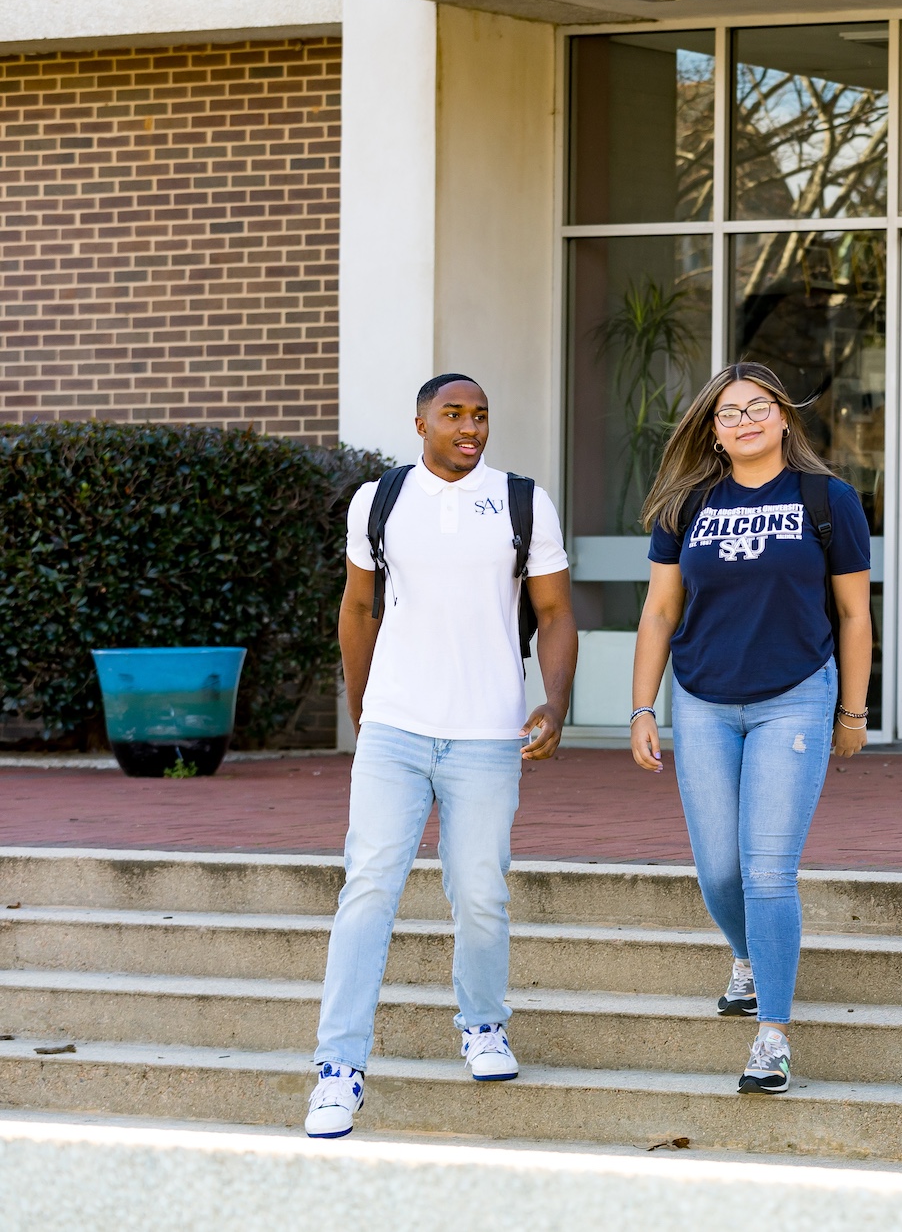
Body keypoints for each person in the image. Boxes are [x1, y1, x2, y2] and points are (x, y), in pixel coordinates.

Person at [304, 373, 578, 1139]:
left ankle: (483, 1024)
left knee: (481, 891)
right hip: (395, 729)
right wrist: (364, 710)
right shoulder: (379, 500)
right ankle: (338, 1069)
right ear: (420, 422)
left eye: (480, 415)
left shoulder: (522, 501)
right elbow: (358, 607)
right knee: (367, 890)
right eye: (453, 414)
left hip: (488, 732)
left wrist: (555, 702)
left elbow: (555, 610)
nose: (470, 427)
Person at [629, 361, 872, 1095]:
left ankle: (773, 1034)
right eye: (729, 413)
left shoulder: (827, 499)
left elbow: (854, 613)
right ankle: (747, 956)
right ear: (713, 431)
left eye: (758, 407)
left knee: (767, 870)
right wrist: (643, 706)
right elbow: (659, 611)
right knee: (719, 871)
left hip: (793, 696)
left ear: (785, 417)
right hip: (702, 700)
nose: (745, 421)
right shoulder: (688, 503)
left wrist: (853, 710)